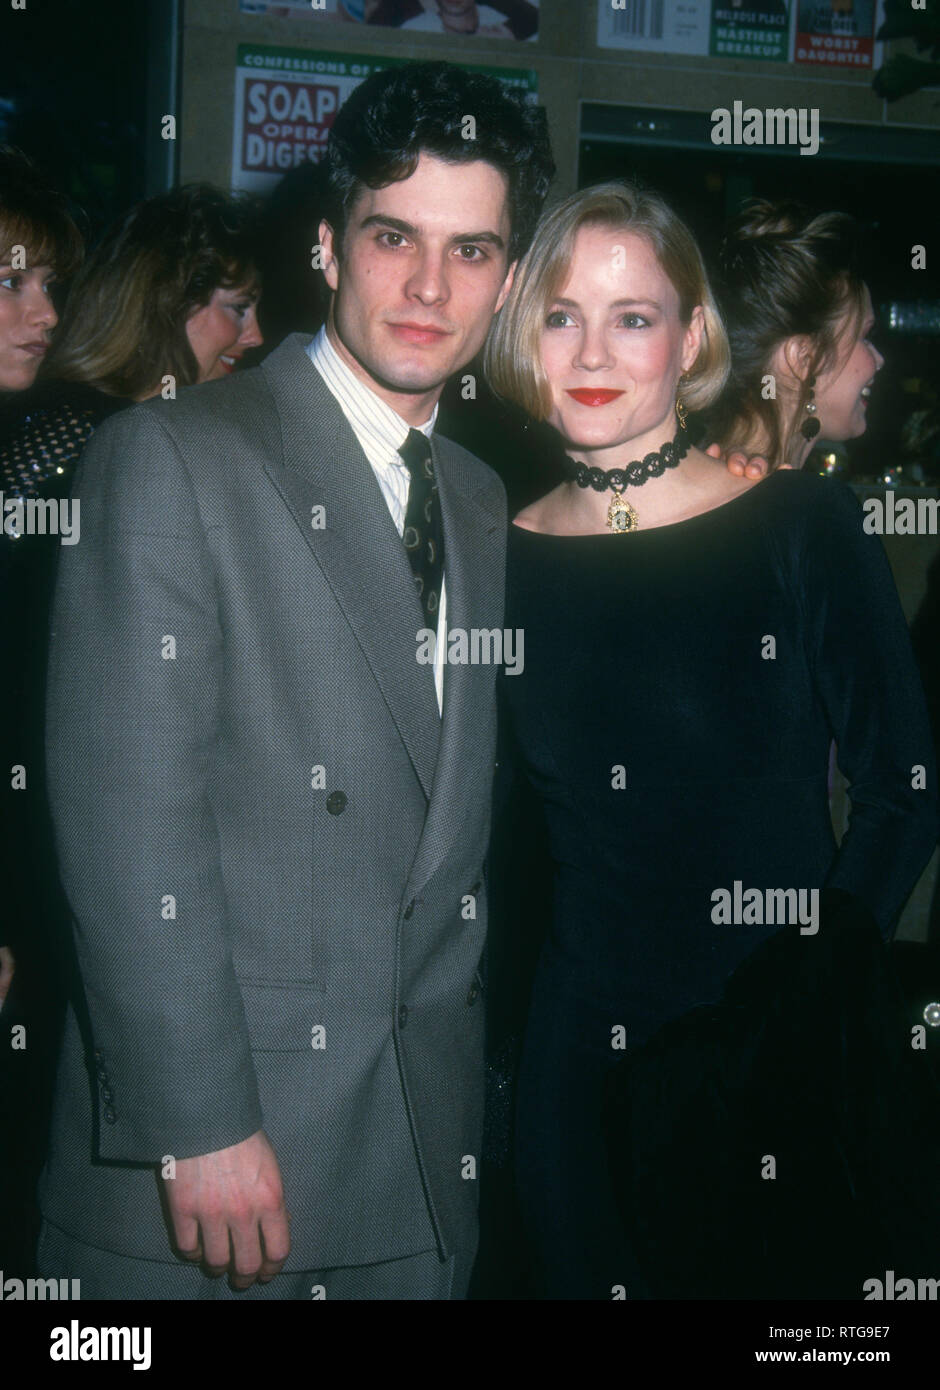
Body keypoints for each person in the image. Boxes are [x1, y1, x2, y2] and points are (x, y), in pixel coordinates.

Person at [35, 60, 555, 1301]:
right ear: (326, 245)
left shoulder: (480, 497)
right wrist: (196, 1119)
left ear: (507, 279)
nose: (430, 287)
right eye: (394, 237)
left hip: (418, 1156)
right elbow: (124, 823)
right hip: (222, 1171)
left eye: (472, 250)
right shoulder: (167, 456)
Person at [483, 181, 939, 1298]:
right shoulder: (490, 552)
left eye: (632, 316)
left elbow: (904, 789)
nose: (592, 349)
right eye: (561, 313)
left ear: (690, 339)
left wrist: (808, 995)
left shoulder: (798, 524)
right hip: (574, 1067)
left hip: (770, 1056)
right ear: (521, 334)